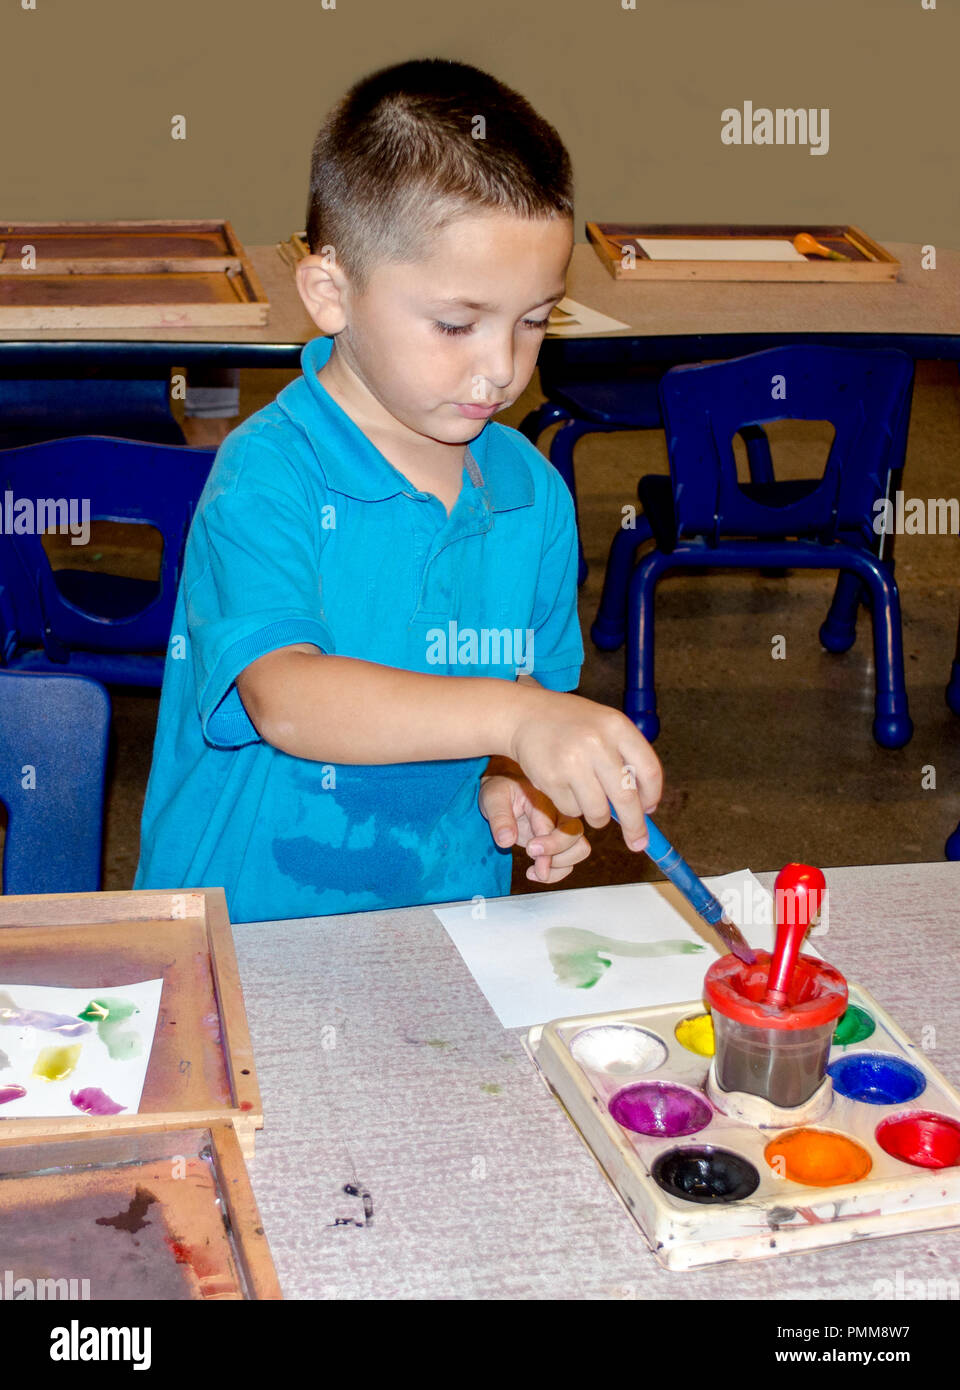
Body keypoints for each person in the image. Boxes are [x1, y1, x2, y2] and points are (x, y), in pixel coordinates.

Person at [135, 57, 662, 923]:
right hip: (246, 936)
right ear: (331, 293)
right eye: (456, 324)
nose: (502, 368)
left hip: (443, 926)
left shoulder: (531, 494)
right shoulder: (268, 474)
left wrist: (517, 784)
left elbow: (516, 706)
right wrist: (517, 720)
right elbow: (287, 699)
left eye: (535, 321)